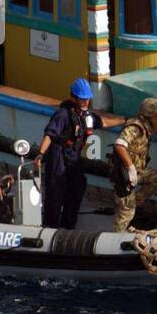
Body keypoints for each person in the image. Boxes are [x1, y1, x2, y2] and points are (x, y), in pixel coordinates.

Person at [35, 77, 97, 228]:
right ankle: (51, 226)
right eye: (82, 99)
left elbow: (103, 122)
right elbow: (50, 135)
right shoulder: (63, 114)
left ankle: (68, 225)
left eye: (87, 99)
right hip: (58, 156)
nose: (85, 102)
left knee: (78, 186)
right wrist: (41, 154)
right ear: (73, 97)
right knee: (55, 191)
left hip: (73, 157)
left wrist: (125, 121)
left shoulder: (84, 116)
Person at [110, 98, 157, 232]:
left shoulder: (146, 125)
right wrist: (130, 168)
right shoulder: (134, 127)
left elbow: (155, 129)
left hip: (137, 172)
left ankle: (136, 201)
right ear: (149, 115)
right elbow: (119, 144)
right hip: (124, 175)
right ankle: (115, 237)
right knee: (127, 212)